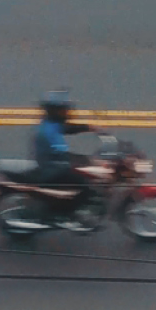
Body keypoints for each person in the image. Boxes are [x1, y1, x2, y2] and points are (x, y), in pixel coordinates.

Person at [31, 92, 100, 221]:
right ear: (55, 111)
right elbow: (64, 156)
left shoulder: (51, 123)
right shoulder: (49, 133)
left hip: (51, 160)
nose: (67, 113)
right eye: (64, 111)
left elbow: (67, 128)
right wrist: (89, 162)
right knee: (83, 182)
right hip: (51, 167)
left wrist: (89, 127)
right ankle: (67, 213)